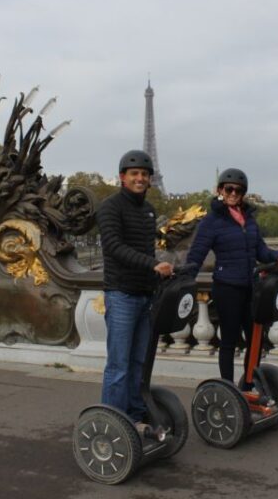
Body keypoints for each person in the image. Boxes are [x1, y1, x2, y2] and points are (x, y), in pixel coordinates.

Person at [185, 168, 278, 390]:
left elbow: (260, 249)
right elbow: (196, 255)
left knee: (255, 341)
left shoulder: (249, 220)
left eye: (239, 190)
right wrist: (183, 281)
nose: (234, 193)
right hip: (226, 289)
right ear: (220, 190)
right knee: (229, 342)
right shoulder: (211, 221)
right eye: (229, 189)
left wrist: (277, 256)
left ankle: (248, 386)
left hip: (251, 288)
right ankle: (228, 389)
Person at [97, 149, 173, 431]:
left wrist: (163, 270)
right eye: (135, 174)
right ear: (122, 177)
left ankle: (136, 417)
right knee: (119, 366)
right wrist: (153, 264)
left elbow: (145, 248)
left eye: (144, 174)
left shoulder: (149, 210)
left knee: (139, 363)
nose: (140, 178)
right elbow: (115, 248)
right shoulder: (110, 207)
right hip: (121, 294)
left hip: (145, 295)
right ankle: (113, 423)